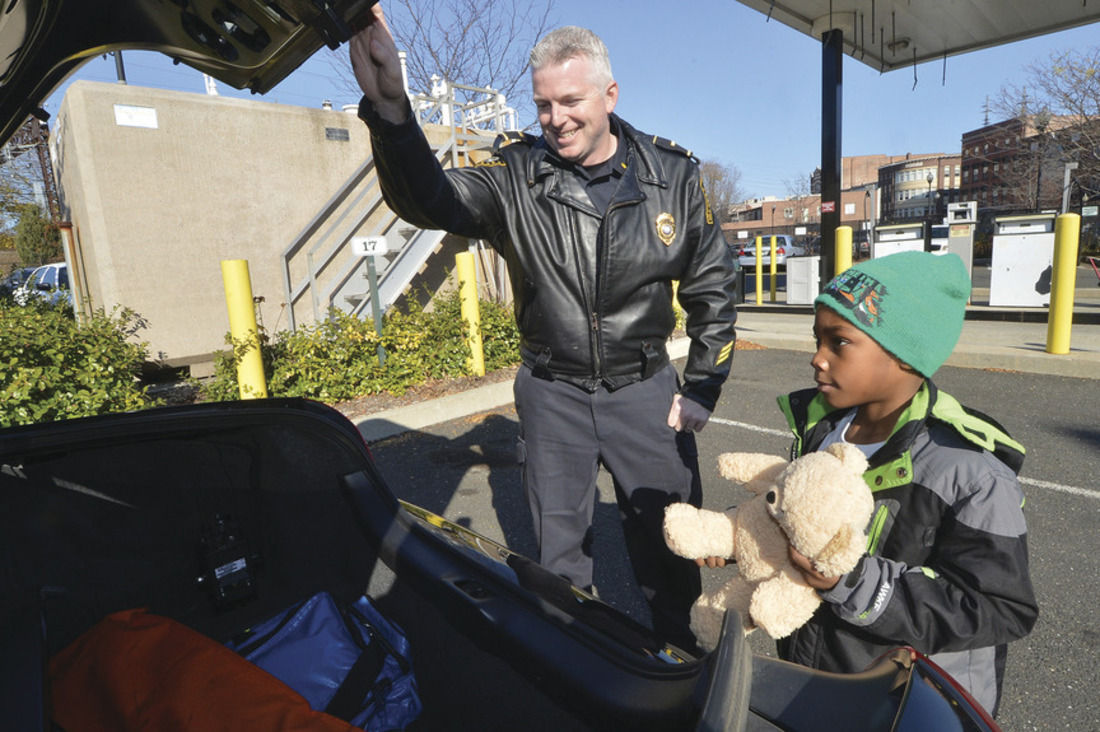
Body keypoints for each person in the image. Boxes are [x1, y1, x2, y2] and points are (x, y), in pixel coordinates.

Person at [349, 6, 738, 651]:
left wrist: (702, 386)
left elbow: (714, 284)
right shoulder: (516, 178)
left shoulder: (673, 177)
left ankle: (681, 664)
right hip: (552, 392)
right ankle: (577, 664)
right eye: (543, 105)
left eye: (571, 101)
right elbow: (430, 200)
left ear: (610, 95)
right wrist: (392, 110)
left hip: (646, 393)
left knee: (670, 545)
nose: (555, 119)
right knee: (559, 561)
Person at [704, 250, 1037, 714]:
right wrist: (748, 534)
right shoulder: (825, 430)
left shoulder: (972, 474)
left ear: (904, 354)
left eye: (839, 342)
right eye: (817, 339)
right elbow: (802, 515)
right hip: (819, 673)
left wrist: (853, 581)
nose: (817, 358)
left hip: (907, 703)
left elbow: (999, 608)